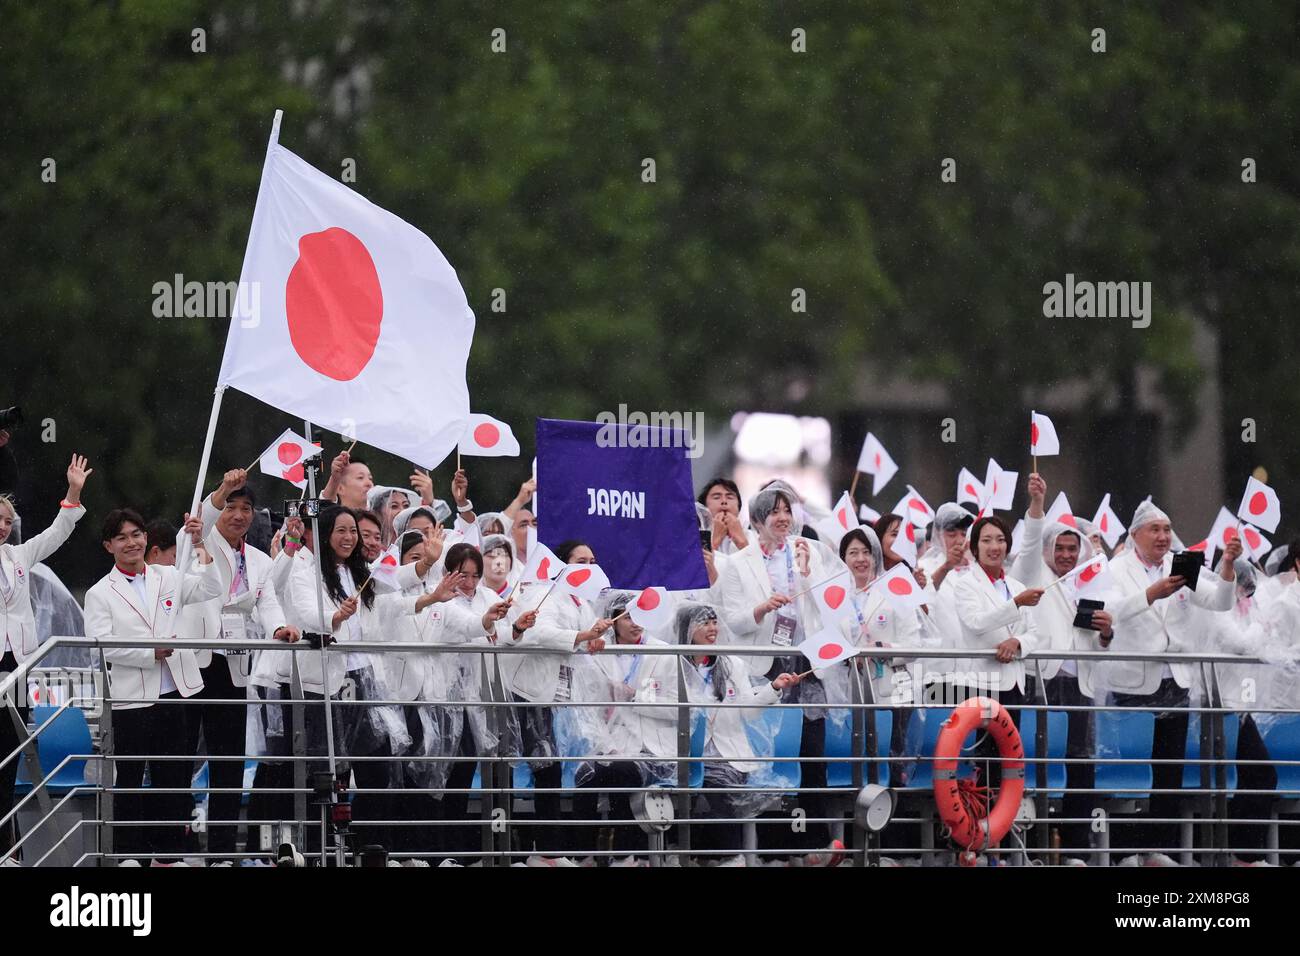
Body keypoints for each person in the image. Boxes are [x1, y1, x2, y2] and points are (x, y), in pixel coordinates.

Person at [84, 507, 233, 864]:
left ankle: (169, 855)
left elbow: (213, 586)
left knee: (173, 778)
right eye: (121, 537)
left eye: (136, 534)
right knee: (131, 779)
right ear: (109, 546)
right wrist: (149, 653)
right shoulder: (99, 593)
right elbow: (102, 644)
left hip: (172, 693)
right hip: (130, 698)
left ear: (146, 538)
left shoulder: (168, 576)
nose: (131, 543)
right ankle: (128, 856)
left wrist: (199, 544)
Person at [1096, 500, 1240, 864]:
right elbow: (1109, 611)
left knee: (1168, 770)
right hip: (1133, 682)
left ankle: (1159, 848)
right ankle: (1127, 851)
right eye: (1154, 529)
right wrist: (1151, 594)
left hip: (1175, 680)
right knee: (1132, 769)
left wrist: (1226, 566)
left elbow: (1219, 603)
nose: (1162, 536)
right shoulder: (1114, 568)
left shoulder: (1182, 566)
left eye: (1166, 529)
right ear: (1134, 535)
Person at [717, 485, 845, 864]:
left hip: (808, 668)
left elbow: (826, 608)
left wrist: (806, 577)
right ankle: (774, 850)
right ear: (757, 521)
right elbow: (733, 621)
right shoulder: (740, 563)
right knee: (772, 758)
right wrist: (761, 608)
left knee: (812, 755)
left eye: (787, 510)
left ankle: (816, 845)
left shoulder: (808, 553)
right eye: (773, 511)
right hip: (766, 670)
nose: (782, 517)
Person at [184, 468, 301, 859]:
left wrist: (280, 628)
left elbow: (267, 602)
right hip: (195, 661)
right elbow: (206, 512)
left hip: (235, 664)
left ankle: (220, 853)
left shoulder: (257, 559)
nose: (238, 514)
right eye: (232, 507)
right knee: (180, 759)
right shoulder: (203, 540)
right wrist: (222, 489)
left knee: (229, 763)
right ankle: (175, 848)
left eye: (246, 507)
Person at [286, 505, 411, 852]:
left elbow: (397, 578)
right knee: (329, 774)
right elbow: (308, 614)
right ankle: (324, 850)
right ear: (325, 534)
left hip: (365, 677)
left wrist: (428, 564)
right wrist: (335, 617)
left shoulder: (358, 571)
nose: (349, 537)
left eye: (352, 531)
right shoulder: (306, 571)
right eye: (341, 530)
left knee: (377, 767)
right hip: (330, 681)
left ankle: (370, 849)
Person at [1007, 475, 1115, 863]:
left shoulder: (1088, 582)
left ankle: (1073, 851)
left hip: (1081, 685)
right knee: (1035, 765)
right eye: (1061, 547)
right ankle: (1031, 850)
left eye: (1074, 548)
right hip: (1043, 681)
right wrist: (1037, 503)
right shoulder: (1034, 573)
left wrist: (1106, 634)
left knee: (1080, 766)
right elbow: (1031, 542)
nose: (1068, 554)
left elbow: (1097, 639)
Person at [0, 454, 91, 859]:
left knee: (9, 760)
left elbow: (56, 533)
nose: (3, 527)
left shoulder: (17, 558)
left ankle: (9, 849)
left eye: (7, 521)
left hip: (15, 667)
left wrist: (72, 491)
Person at [502, 539, 611, 865]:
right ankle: (544, 852)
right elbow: (537, 633)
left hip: (559, 697)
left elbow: (582, 639)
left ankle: (546, 851)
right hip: (531, 693)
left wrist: (590, 641)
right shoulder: (543, 593)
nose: (588, 567)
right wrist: (582, 638)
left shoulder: (581, 601)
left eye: (592, 560)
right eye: (581, 561)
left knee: (552, 770)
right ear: (563, 565)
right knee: (544, 771)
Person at [677, 602, 800, 865]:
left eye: (713, 622)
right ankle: (692, 853)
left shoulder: (732, 664)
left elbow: (748, 711)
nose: (712, 629)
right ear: (687, 629)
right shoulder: (673, 664)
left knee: (719, 783)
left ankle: (732, 857)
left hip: (727, 754)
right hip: (685, 754)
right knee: (686, 788)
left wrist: (772, 689)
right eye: (704, 623)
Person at [573, 591, 680, 865]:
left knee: (622, 771)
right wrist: (606, 744)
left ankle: (626, 854)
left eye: (641, 616)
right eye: (629, 616)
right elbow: (590, 710)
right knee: (585, 774)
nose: (636, 623)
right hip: (611, 742)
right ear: (614, 620)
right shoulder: (598, 652)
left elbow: (677, 709)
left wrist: (635, 697)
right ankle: (584, 853)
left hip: (653, 745)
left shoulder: (665, 654)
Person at [950, 515, 1043, 796]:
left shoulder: (1015, 585)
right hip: (984, 681)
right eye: (987, 540)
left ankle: (1005, 824)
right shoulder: (966, 584)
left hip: (1014, 682)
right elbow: (976, 622)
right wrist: (1015, 604)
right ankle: (984, 826)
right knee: (987, 759)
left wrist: (1017, 642)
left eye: (1000, 540)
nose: (995, 546)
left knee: (1010, 758)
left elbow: (1035, 632)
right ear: (975, 547)